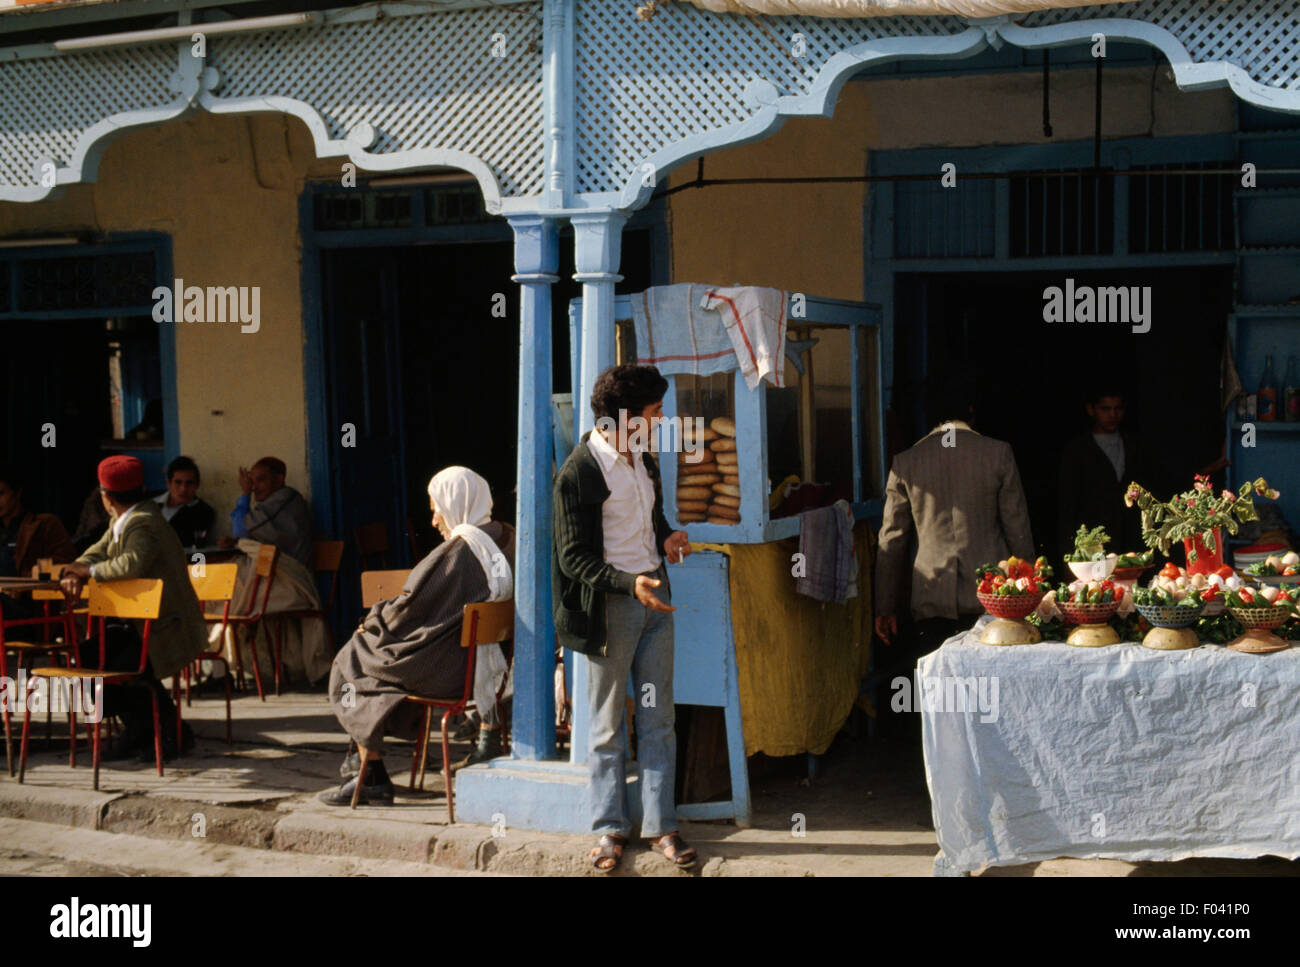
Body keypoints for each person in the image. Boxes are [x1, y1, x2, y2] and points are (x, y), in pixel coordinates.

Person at [553, 363, 697, 873]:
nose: (661, 421)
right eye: (655, 413)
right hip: (613, 610)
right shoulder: (580, 471)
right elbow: (573, 557)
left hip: (657, 600)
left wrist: (667, 538)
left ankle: (662, 827)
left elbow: (650, 518)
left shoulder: (644, 461)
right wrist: (626, 583)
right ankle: (608, 830)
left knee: (660, 721)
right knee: (609, 725)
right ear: (625, 418)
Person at [319, 467, 515, 806]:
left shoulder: (461, 551)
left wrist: (372, 620)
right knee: (368, 654)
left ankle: (371, 772)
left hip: (453, 674)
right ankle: (367, 764)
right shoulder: (509, 537)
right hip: (490, 672)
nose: (434, 519)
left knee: (351, 659)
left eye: (436, 507)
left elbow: (410, 610)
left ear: (454, 503)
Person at [873, 376, 1034, 734]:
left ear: (929, 415)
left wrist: (884, 606)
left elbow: (891, 541)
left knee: (942, 706)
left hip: (932, 601)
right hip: (992, 600)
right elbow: (1017, 529)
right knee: (993, 706)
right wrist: (1031, 595)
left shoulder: (907, 461)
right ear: (972, 411)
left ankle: (945, 780)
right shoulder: (998, 453)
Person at [58, 456, 207, 760]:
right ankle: (140, 728)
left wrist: (87, 573)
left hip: (165, 627)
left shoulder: (144, 522)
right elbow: (95, 552)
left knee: (120, 663)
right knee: (90, 656)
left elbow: (132, 563)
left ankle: (171, 733)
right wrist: (76, 569)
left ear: (105, 497)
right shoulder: (123, 520)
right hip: (142, 625)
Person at [1057, 386, 1145, 556]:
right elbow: (1068, 505)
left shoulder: (1134, 445)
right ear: (1091, 410)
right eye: (1106, 409)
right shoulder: (1077, 450)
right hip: (1094, 542)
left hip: (1130, 540)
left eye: (1117, 408)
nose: (1113, 415)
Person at [0, 469, 77, 621]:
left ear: (17, 493)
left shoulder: (44, 524)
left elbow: (65, 563)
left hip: (29, 608)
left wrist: (22, 586)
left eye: (1, 493)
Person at [219, 457, 313, 566]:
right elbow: (266, 536)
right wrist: (236, 542)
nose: (253, 487)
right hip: (278, 571)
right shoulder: (275, 501)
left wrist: (245, 493)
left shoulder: (284, 498)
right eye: (251, 481)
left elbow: (240, 529)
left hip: (292, 575)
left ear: (279, 479)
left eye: (261, 480)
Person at [153, 456, 215, 549]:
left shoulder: (203, 512)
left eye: (189, 483)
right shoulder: (151, 504)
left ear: (197, 485)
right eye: (178, 482)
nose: (183, 489)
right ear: (169, 483)